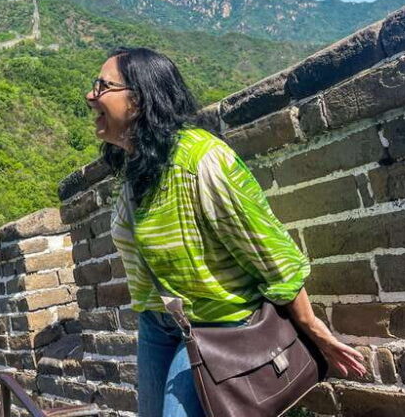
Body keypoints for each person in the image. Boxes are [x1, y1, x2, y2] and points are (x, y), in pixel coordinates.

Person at [84, 47, 366, 417]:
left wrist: (311, 326)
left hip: (216, 326)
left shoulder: (202, 159)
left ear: (139, 98)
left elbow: (269, 248)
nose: (91, 95)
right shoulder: (139, 167)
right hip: (158, 325)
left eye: (103, 86)